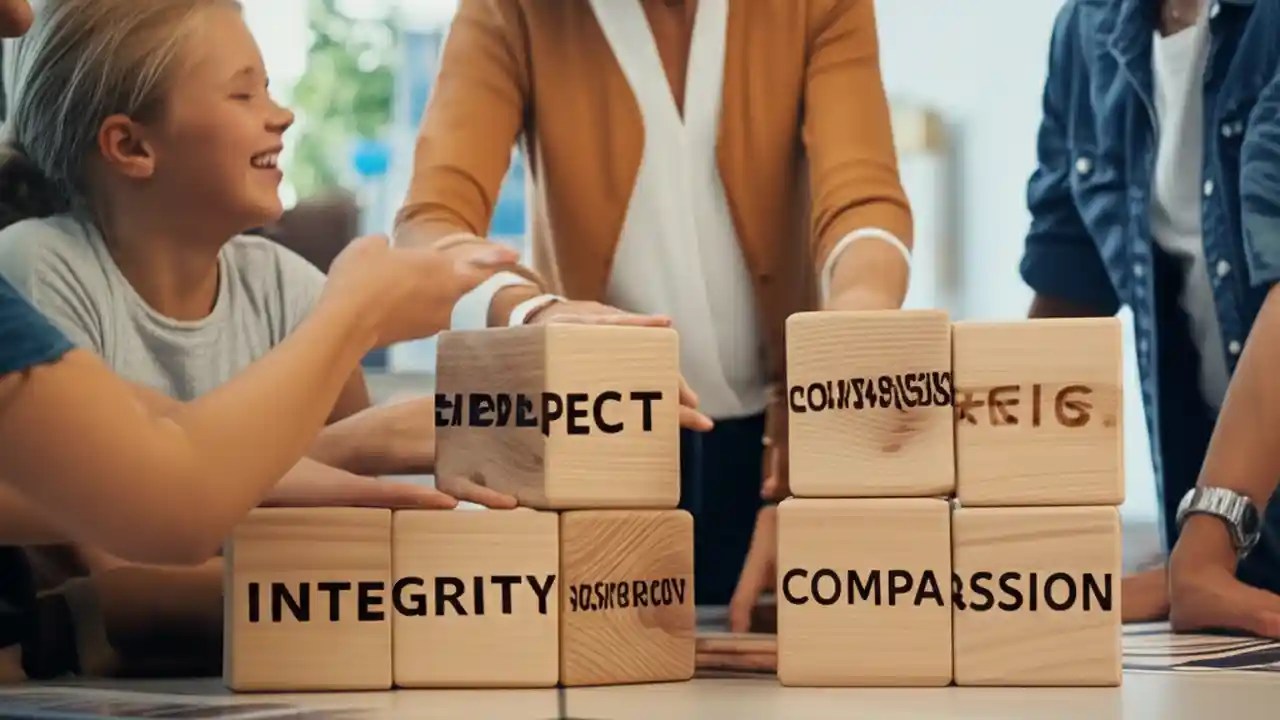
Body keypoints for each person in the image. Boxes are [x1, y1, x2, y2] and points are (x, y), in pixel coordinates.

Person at [0, 0, 521, 680]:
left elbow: (357, 524)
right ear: (130, 146)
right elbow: (132, 571)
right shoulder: (36, 268)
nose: (282, 114)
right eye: (243, 92)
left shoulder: (289, 288)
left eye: (270, 88)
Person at [395, 0, 915, 610]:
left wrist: (840, 367)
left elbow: (863, 200)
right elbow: (431, 225)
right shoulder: (512, 12)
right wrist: (534, 312)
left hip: (780, 439)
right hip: (598, 436)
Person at [1018, 0, 1280, 634]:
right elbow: (1068, 288)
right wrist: (1008, 554)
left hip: (1217, 546)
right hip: (1238, 555)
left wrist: (1204, 549)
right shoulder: (1087, 29)